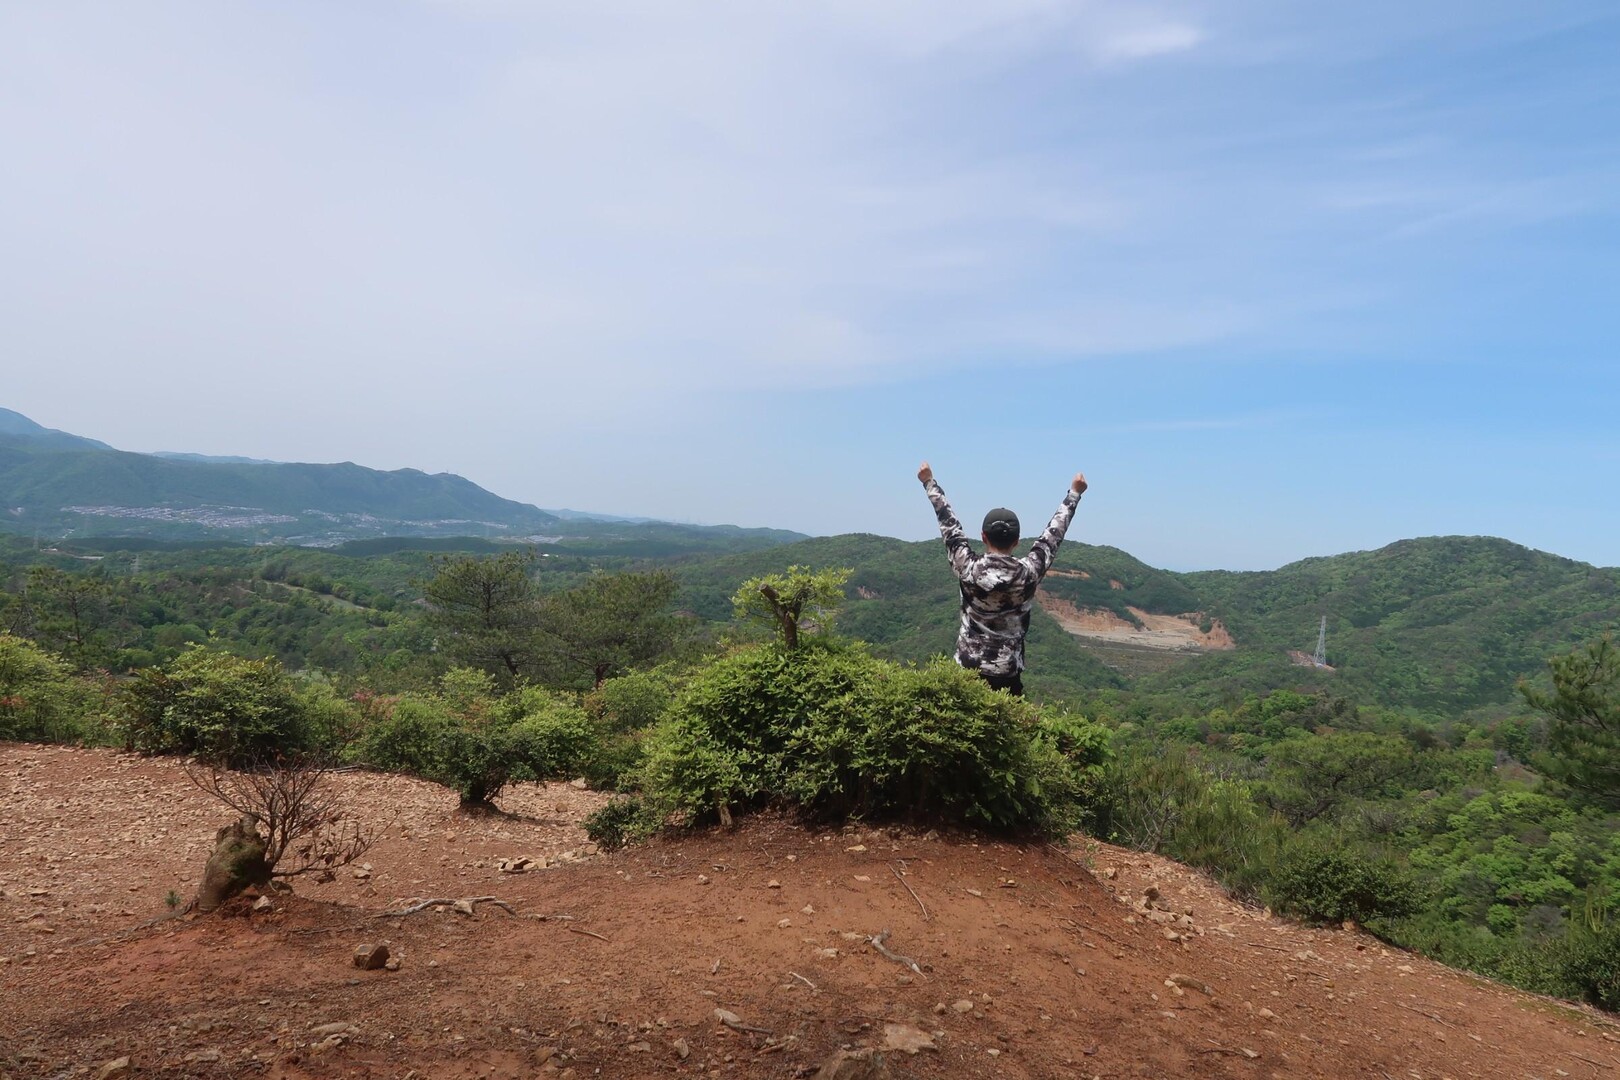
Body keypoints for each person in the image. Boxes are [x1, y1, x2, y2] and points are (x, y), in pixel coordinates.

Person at [917, 461, 1088, 696]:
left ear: (983, 536)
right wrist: (1074, 494)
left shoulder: (968, 566)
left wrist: (929, 482)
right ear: (1017, 541)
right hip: (1008, 674)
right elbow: (1053, 535)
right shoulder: (1028, 572)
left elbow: (949, 525)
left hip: (967, 670)